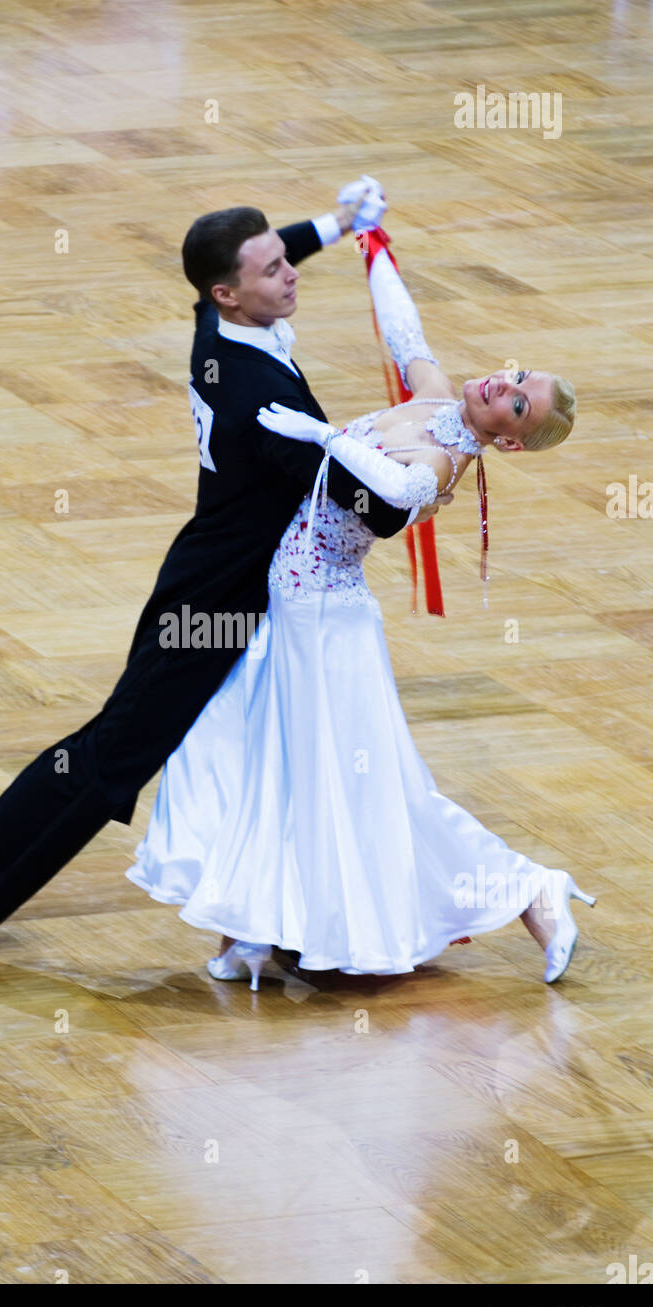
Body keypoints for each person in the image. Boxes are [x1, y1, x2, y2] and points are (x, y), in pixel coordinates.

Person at [0, 181, 445, 971]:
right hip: (218, 606)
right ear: (228, 293)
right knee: (108, 763)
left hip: (263, 592)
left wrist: (336, 226)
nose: (290, 276)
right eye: (272, 271)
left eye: (284, 259)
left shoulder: (218, 326)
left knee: (295, 747)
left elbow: (264, 258)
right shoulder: (259, 401)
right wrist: (435, 474)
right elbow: (373, 512)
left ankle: (295, 928)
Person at [125, 222, 596, 989]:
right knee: (258, 762)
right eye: (515, 376)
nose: (498, 387)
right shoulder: (439, 399)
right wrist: (373, 248)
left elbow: (398, 492)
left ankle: (530, 892)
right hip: (283, 604)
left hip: (323, 621)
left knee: (353, 789)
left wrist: (323, 436)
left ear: (509, 443)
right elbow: (403, 330)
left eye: (516, 404)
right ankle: (255, 927)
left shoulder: (444, 460)